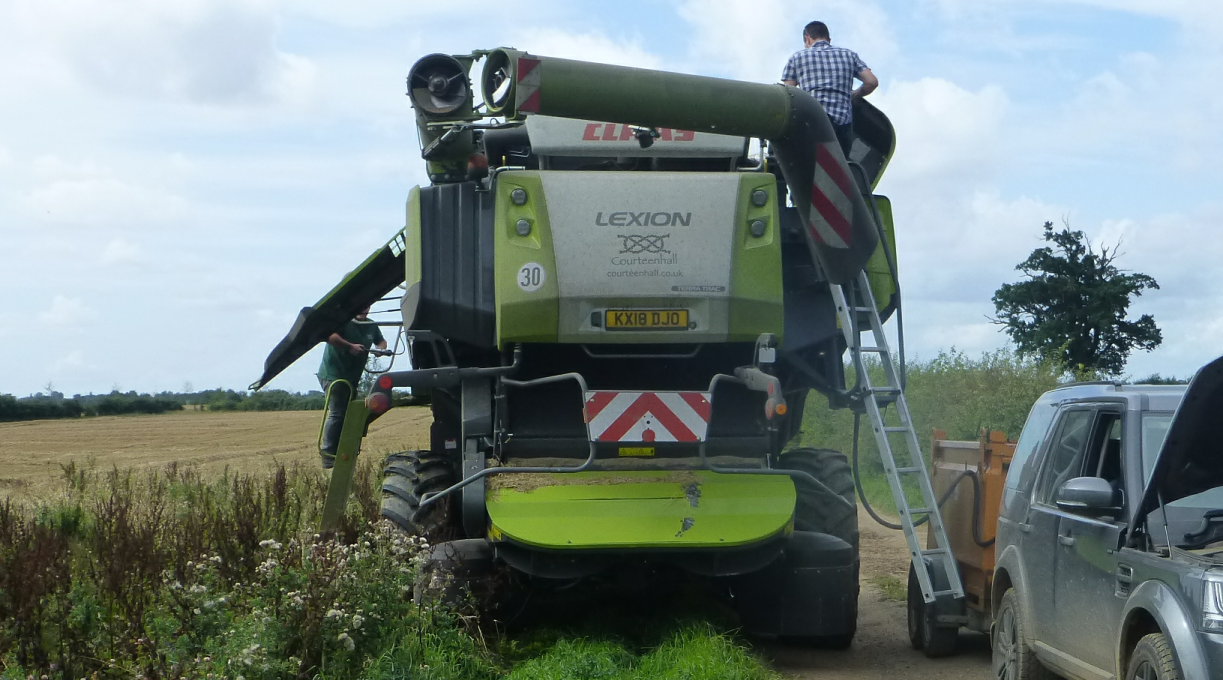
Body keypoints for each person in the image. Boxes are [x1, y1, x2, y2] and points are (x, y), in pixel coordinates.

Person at [782, 20, 879, 157]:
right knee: (839, 166)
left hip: (812, 123)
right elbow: (871, 82)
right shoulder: (849, 55)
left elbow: (789, 95)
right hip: (841, 129)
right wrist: (855, 94)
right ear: (829, 40)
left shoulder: (797, 58)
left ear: (807, 39)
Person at [316, 306, 387, 468]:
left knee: (351, 412)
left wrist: (380, 349)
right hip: (333, 375)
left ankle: (345, 448)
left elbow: (381, 341)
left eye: (367, 306)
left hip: (352, 377)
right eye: (361, 306)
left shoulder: (371, 325)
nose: (363, 309)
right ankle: (328, 454)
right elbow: (330, 336)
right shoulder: (343, 322)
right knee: (338, 412)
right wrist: (350, 346)